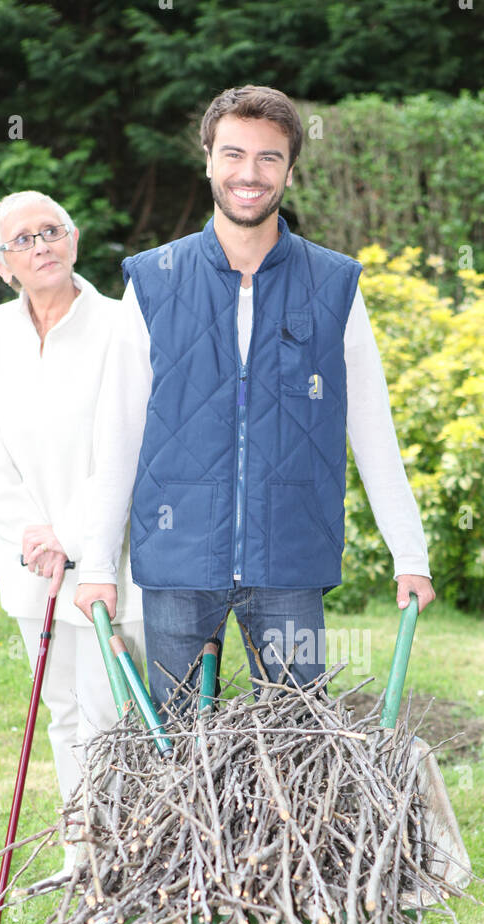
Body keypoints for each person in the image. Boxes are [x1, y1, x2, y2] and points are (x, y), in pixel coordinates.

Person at [74, 86, 434, 706]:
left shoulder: (334, 285)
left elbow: (373, 429)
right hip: (178, 559)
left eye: (269, 158)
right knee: (181, 754)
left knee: (296, 749)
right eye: (233, 154)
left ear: (290, 171)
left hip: (291, 561)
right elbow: (119, 433)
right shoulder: (154, 281)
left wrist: (411, 553)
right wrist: (98, 564)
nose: (249, 173)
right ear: (208, 159)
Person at [0, 190, 144, 867]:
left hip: (104, 561)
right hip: (30, 562)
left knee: (107, 717)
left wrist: (67, 531)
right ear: (0, 262)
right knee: (63, 713)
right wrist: (30, 534)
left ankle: (122, 861)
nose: (40, 246)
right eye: (23, 239)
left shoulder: (123, 326)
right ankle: (80, 857)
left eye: (51, 231)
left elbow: (123, 446)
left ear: (74, 238)